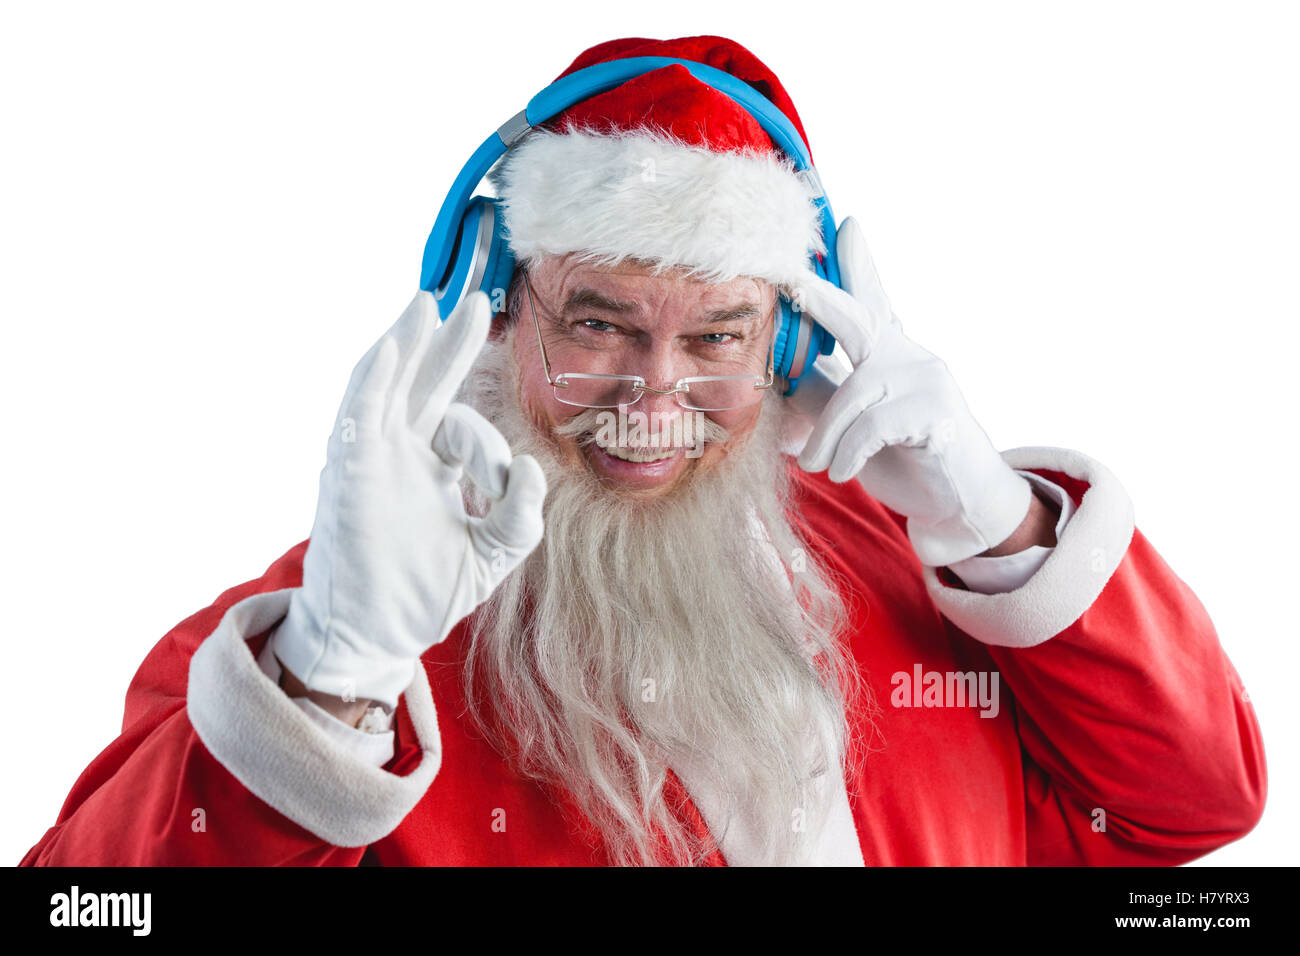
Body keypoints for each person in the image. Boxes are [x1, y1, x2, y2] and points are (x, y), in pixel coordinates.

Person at [21, 35, 1265, 867]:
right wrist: (331, 679)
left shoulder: (912, 571)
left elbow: (1192, 799)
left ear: (789, 341)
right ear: (496, 307)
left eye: (716, 334)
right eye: (600, 322)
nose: (654, 395)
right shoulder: (326, 634)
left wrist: (1000, 526)